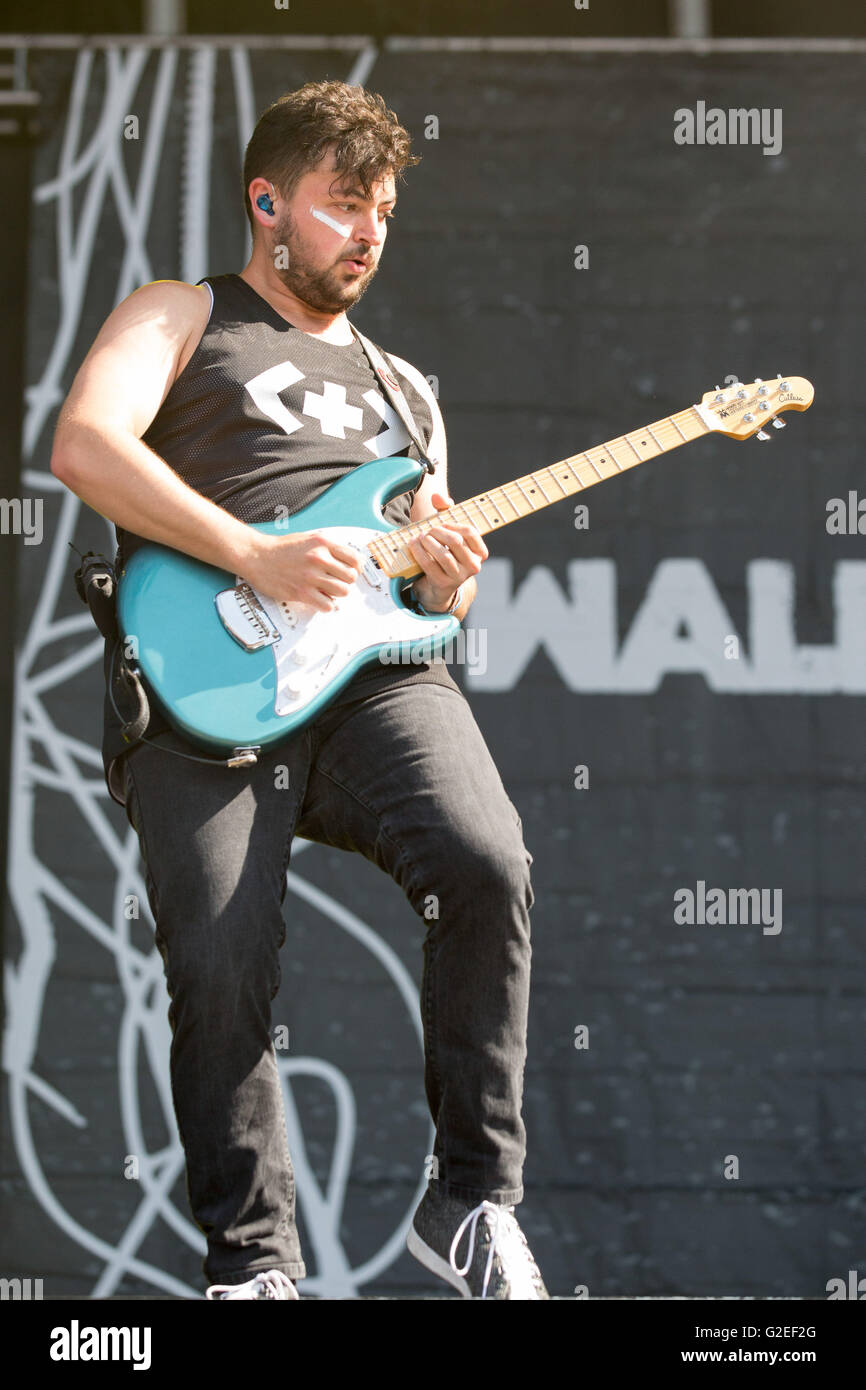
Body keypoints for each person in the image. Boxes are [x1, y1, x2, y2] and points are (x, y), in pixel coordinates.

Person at [50, 80, 548, 1301]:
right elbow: (85, 447)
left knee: (486, 860)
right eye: (341, 205)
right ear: (266, 202)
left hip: (368, 683)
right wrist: (255, 554)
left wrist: (445, 583)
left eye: (381, 210)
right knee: (218, 961)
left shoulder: (405, 390)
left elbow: (434, 602)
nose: (367, 231)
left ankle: (472, 1201)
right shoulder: (182, 312)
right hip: (200, 672)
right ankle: (253, 1267)